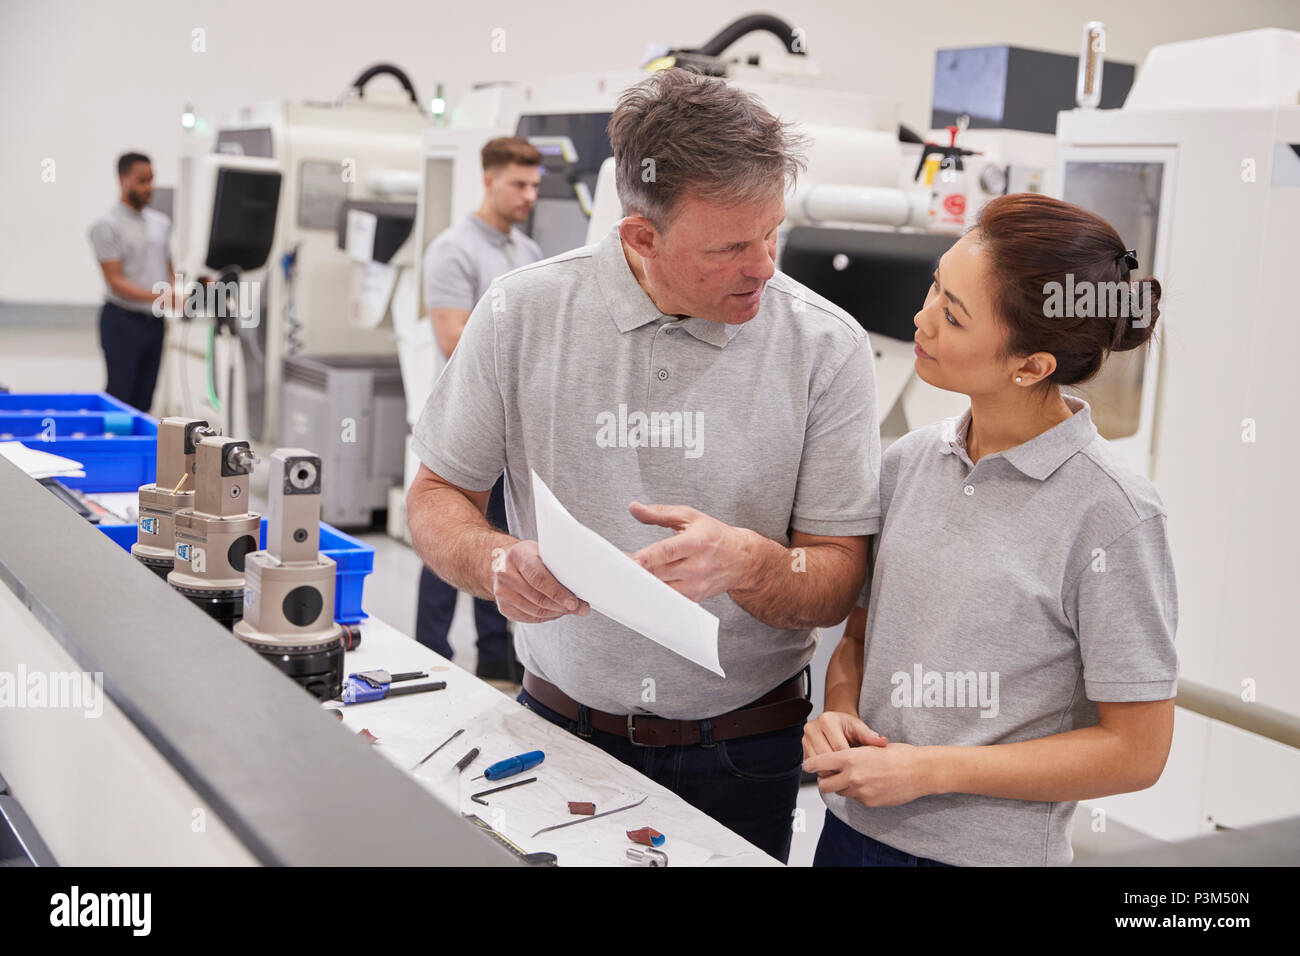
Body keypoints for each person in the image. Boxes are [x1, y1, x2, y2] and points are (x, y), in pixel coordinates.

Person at [405, 67, 882, 863]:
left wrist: (751, 564)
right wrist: (496, 561)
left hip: (742, 753)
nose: (763, 266)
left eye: (773, 233)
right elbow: (437, 493)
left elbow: (834, 579)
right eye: (731, 248)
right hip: (556, 731)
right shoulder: (523, 313)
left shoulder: (826, 346)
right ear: (639, 236)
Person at [804, 192, 1178, 867]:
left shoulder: (1114, 514)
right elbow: (861, 638)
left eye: (952, 315)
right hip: (850, 836)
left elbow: (1137, 750)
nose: (920, 319)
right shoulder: (907, 464)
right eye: (933, 288)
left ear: (1030, 365)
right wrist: (838, 710)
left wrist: (931, 770)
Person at [414, 137, 544, 687]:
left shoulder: (529, 254)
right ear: (489, 179)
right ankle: (430, 650)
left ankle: (496, 657)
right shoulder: (454, 250)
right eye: (519, 184)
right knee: (452, 534)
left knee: (502, 539)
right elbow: (452, 337)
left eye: (536, 186)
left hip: (516, 425)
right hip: (468, 419)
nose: (529, 196)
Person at [88, 152, 176, 413]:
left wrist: (184, 291)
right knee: (120, 399)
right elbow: (116, 282)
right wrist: (160, 297)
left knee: (144, 401)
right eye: (141, 180)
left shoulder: (161, 224)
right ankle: (113, 454)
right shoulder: (106, 226)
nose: (148, 187)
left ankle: (139, 454)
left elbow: (169, 271)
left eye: (151, 180)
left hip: (155, 324)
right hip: (122, 323)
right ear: (122, 179)